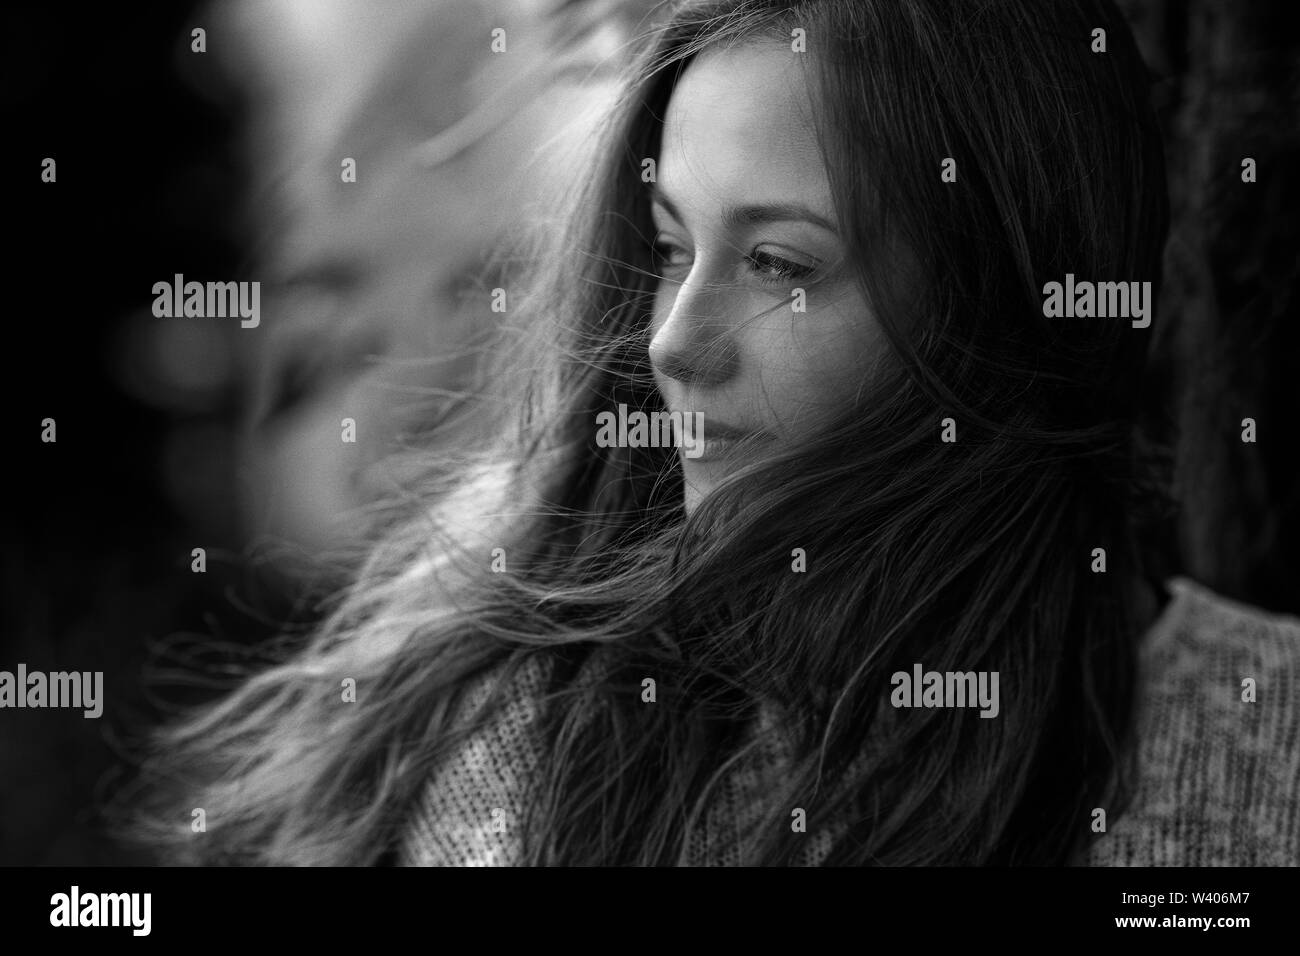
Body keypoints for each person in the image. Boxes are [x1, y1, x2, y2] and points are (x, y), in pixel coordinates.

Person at [118, 0, 1300, 866]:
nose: (671, 343)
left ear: (997, 301)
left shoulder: (1270, 740)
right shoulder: (534, 741)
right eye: (673, 247)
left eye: (778, 262)